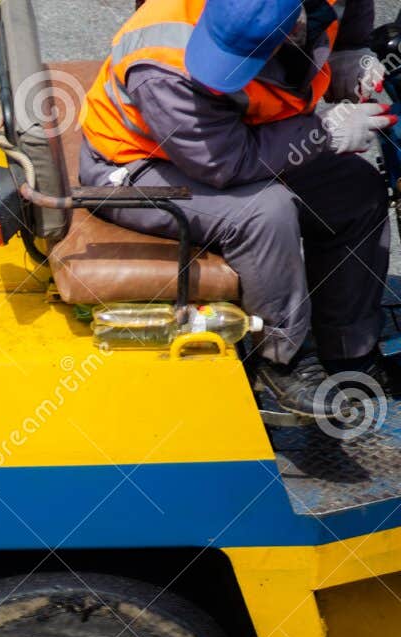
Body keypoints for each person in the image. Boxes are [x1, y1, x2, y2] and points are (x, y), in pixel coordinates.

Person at [78, 0, 394, 419]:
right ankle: (282, 360)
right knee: (265, 211)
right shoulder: (161, 61)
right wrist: (323, 132)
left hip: (249, 136)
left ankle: (346, 350)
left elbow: (344, 38)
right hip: (138, 165)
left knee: (356, 189)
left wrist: (352, 62)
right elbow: (225, 163)